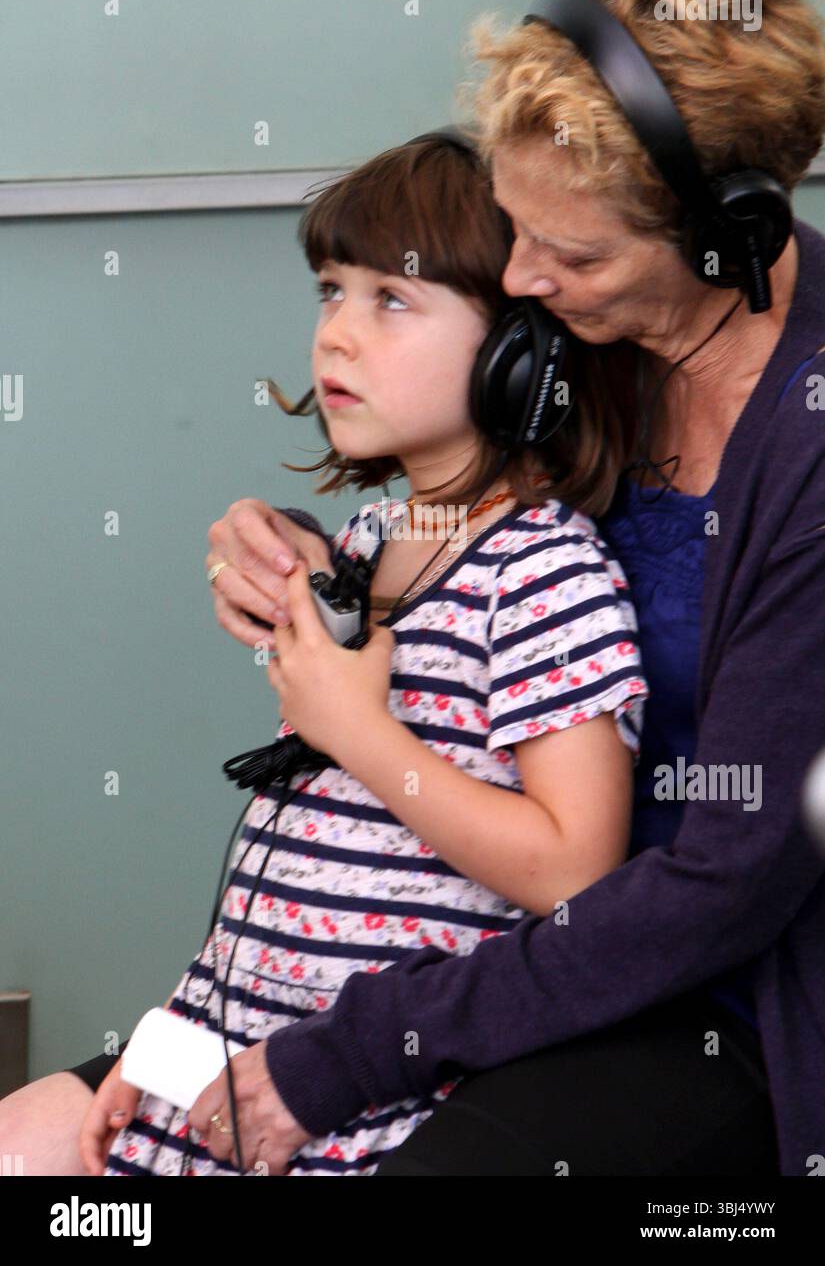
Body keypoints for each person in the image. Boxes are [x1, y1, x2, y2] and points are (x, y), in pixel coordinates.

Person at [3, 0, 823, 1178]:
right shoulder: (591, 335)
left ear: (731, 237)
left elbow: (728, 883)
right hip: (464, 961)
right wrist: (298, 554)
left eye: (569, 251)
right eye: (514, 230)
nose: (526, 283)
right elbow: (463, 503)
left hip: (711, 998)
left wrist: (339, 1053)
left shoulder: (802, 448)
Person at [93, 124, 648, 1174]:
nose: (336, 337)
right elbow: (294, 850)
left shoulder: (544, 570)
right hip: (235, 1063)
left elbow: (575, 869)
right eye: (330, 292)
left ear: (518, 353)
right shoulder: (360, 548)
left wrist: (358, 729)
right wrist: (173, 1034)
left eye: (390, 299)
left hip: (373, 1107)